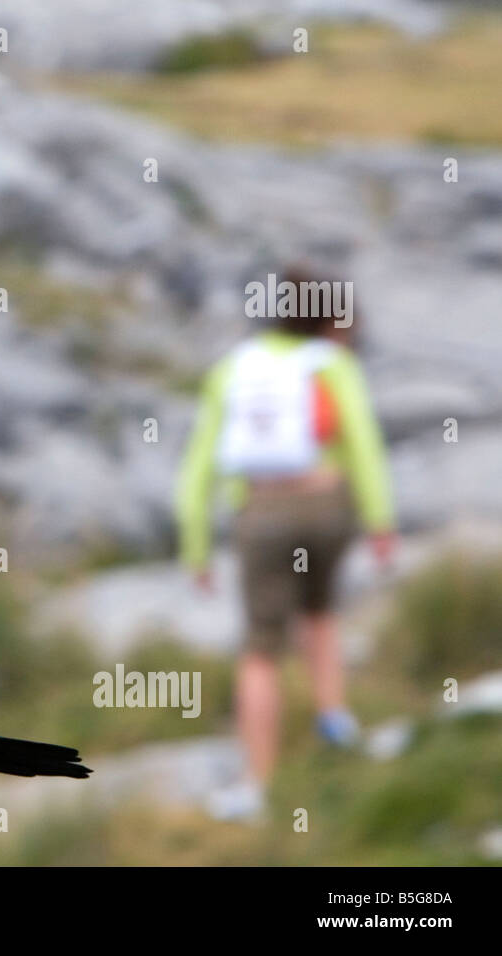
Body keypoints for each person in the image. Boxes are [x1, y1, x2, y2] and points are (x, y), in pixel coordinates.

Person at [174, 268, 396, 822]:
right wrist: (380, 522)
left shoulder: (233, 368)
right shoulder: (332, 365)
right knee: (321, 610)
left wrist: (196, 545)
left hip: (263, 513)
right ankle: (334, 722)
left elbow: (199, 464)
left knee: (260, 650)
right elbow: (363, 443)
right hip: (328, 505)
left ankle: (257, 783)